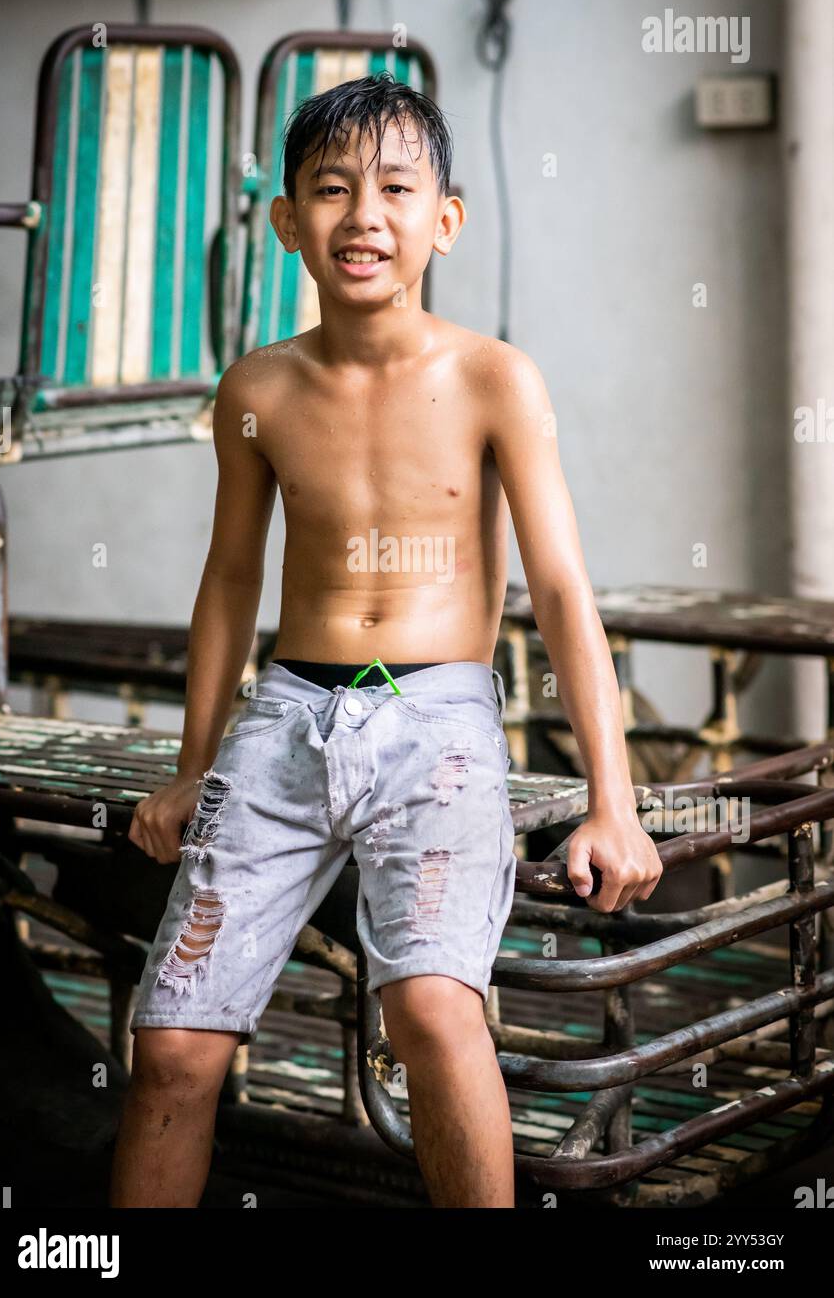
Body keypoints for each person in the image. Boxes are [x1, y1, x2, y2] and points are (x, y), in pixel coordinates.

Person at [109, 71, 662, 1209]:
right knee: (170, 1045)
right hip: (284, 717)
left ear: (442, 220)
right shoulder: (255, 387)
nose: (363, 215)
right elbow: (228, 579)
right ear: (285, 223)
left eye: (395, 188)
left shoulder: (492, 377)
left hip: (438, 723)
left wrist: (615, 799)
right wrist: (188, 766)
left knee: (429, 1010)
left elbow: (558, 586)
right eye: (330, 189)